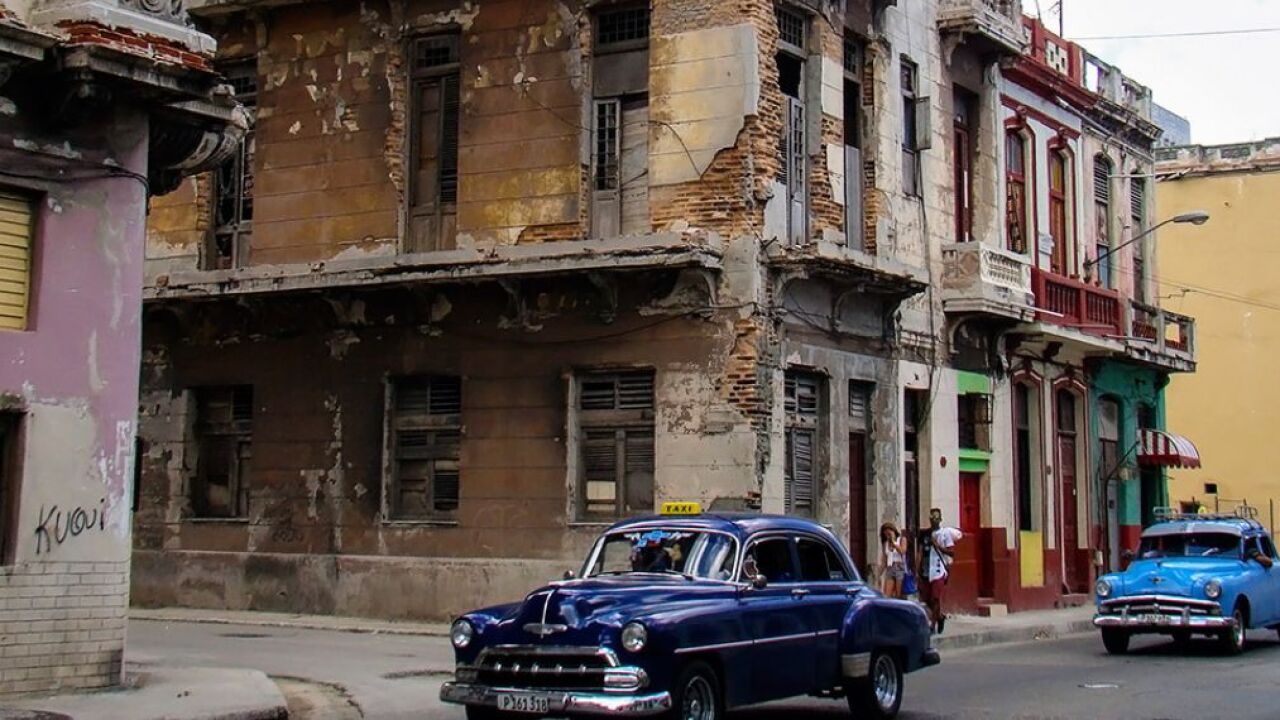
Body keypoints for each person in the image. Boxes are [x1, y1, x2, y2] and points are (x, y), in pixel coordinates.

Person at [924, 508, 961, 634]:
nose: (934, 521)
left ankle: (932, 625)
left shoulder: (945, 534)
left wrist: (938, 546)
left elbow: (952, 553)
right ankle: (939, 617)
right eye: (932, 518)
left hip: (940, 569)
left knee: (935, 598)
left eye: (936, 518)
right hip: (928, 569)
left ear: (940, 520)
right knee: (927, 598)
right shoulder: (927, 534)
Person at [877, 523, 908, 599]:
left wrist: (894, 543)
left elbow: (902, 551)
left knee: (898, 594)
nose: (888, 536)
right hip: (890, 567)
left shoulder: (901, 539)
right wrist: (879, 573)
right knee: (887, 594)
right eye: (886, 535)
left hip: (899, 567)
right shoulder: (886, 543)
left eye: (889, 533)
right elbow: (884, 560)